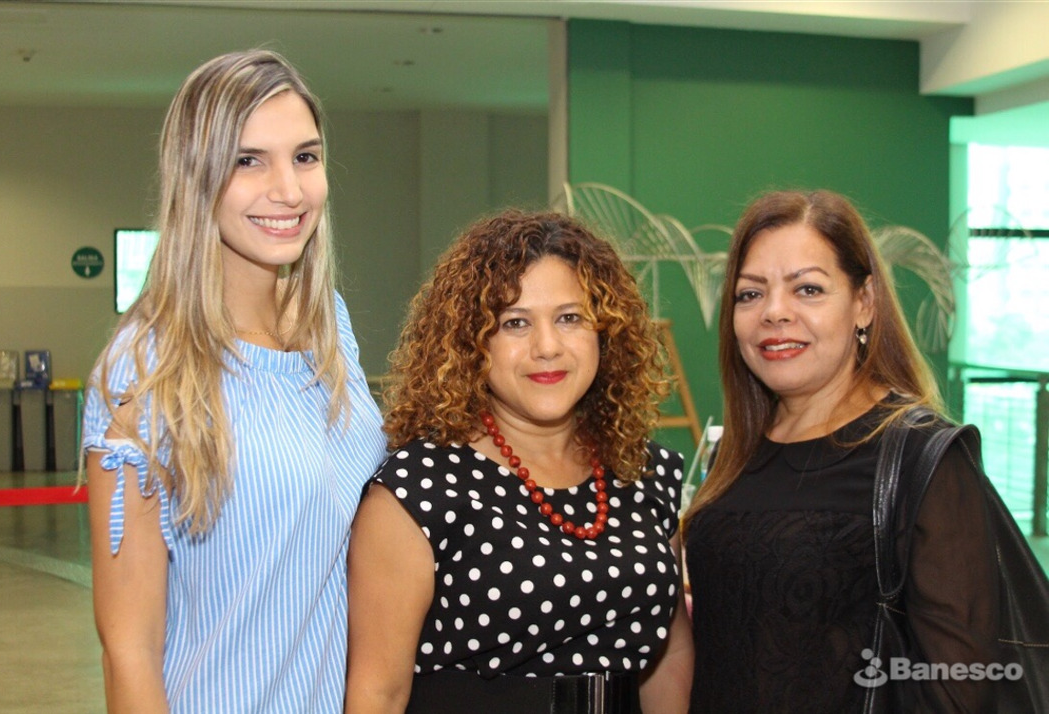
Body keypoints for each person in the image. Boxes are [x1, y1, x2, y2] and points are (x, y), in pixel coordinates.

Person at [82, 50, 386, 713]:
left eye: (305, 157)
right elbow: (128, 647)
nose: (289, 189)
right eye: (250, 160)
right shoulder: (144, 366)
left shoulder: (328, 324)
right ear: (196, 177)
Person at [344, 210, 693, 714]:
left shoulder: (646, 474)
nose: (547, 347)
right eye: (514, 323)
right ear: (471, 342)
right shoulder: (418, 490)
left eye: (570, 318)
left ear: (605, 331)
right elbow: (379, 693)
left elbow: (670, 654)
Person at [682, 189, 999, 712]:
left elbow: (959, 688)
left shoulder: (922, 458)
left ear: (864, 302)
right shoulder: (733, 457)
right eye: (750, 294)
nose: (774, 313)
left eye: (807, 289)